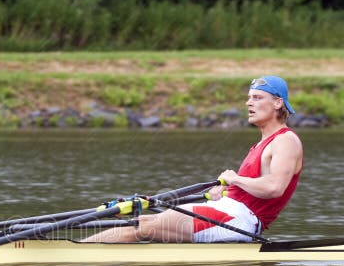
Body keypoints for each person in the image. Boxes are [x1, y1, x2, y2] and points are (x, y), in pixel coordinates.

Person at [83, 76, 303, 243]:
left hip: (239, 219)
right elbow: (256, 187)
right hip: (227, 210)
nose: (248, 103)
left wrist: (235, 180)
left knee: (142, 226)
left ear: (277, 103)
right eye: (248, 97)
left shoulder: (286, 141)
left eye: (257, 98)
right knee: (142, 223)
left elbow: (274, 188)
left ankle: (77, 254)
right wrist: (228, 191)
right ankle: (83, 251)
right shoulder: (262, 143)